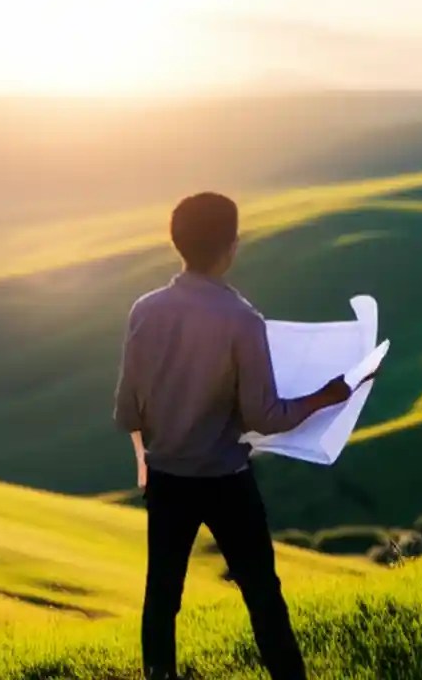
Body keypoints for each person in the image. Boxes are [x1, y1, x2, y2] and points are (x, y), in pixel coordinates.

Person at [114, 192, 367, 680]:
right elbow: (266, 416)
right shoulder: (242, 320)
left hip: (167, 477)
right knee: (261, 594)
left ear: (177, 243)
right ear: (231, 247)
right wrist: (329, 395)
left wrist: (145, 459)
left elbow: (129, 407)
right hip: (226, 480)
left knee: (161, 596)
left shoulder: (144, 311)